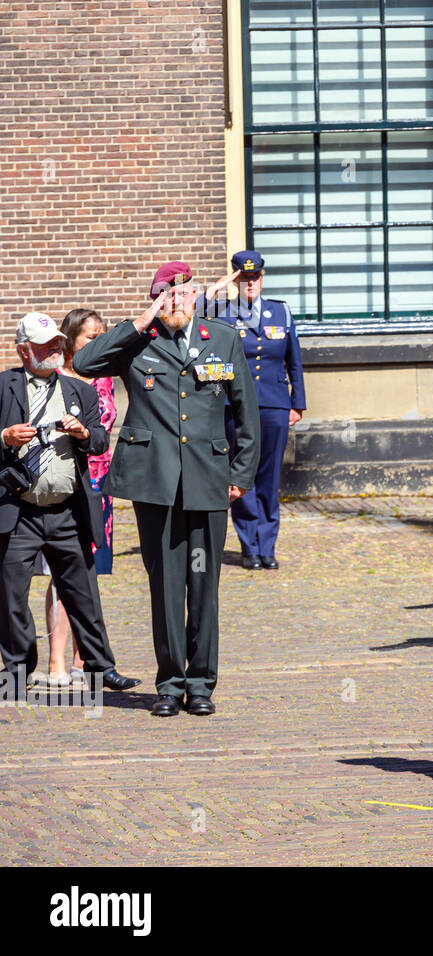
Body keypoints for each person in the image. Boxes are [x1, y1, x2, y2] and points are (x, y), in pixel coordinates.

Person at [73, 261, 260, 717]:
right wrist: (139, 322)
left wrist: (238, 476)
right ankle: (170, 684)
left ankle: (201, 684)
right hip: (155, 484)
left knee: (204, 585)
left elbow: (247, 418)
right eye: (164, 296)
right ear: (154, 298)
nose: (175, 303)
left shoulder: (223, 339)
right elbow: (83, 361)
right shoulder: (138, 342)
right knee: (165, 585)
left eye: (181, 294)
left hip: (209, 481)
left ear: (195, 295)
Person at [0, 313, 139, 695]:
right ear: (23, 350)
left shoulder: (80, 391)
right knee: (11, 595)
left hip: (67, 510)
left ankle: (100, 667)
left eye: (57, 341)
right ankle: (16, 671)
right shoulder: (4, 386)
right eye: (45, 344)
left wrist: (82, 433)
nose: (55, 348)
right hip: (19, 511)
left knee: (83, 593)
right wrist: (5, 437)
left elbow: (98, 441)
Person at [204, 251, 305, 570]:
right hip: (236, 406)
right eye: (244, 279)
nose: (251, 284)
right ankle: (249, 546)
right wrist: (217, 288)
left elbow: (294, 361)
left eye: (256, 278)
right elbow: (195, 320)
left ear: (263, 278)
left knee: (270, 476)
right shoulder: (221, 312)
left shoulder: (281, 311)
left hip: (275, 403)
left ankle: (268, 546)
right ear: (236, 280)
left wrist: (297, 402)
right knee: (242, 474)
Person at [42, 309, 117, 688]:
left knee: (89, 576)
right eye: (91, 336)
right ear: (71, 340)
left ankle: (83, 660)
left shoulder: (105, 377)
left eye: (102, 334)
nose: (98, 340)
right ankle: (55, 661)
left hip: (100, 486)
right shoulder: (55, 379)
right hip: (68, 484)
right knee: (62, 574)